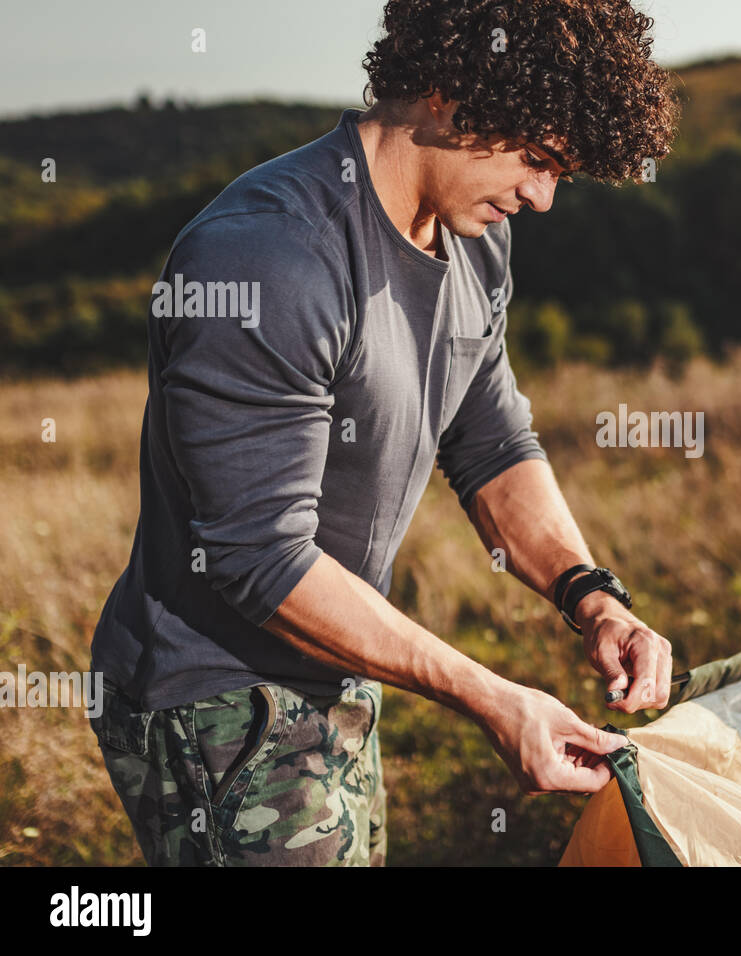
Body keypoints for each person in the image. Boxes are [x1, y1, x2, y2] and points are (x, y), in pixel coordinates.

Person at [89, 0, 681, 866]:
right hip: (216, 699)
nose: (543, 199)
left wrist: (590, 597)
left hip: (341, 668)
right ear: (449, 93)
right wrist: (489, 696)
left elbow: (491, 440)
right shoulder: (269, 256)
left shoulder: (476, 242)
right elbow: (260, 557)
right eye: (540, 161)